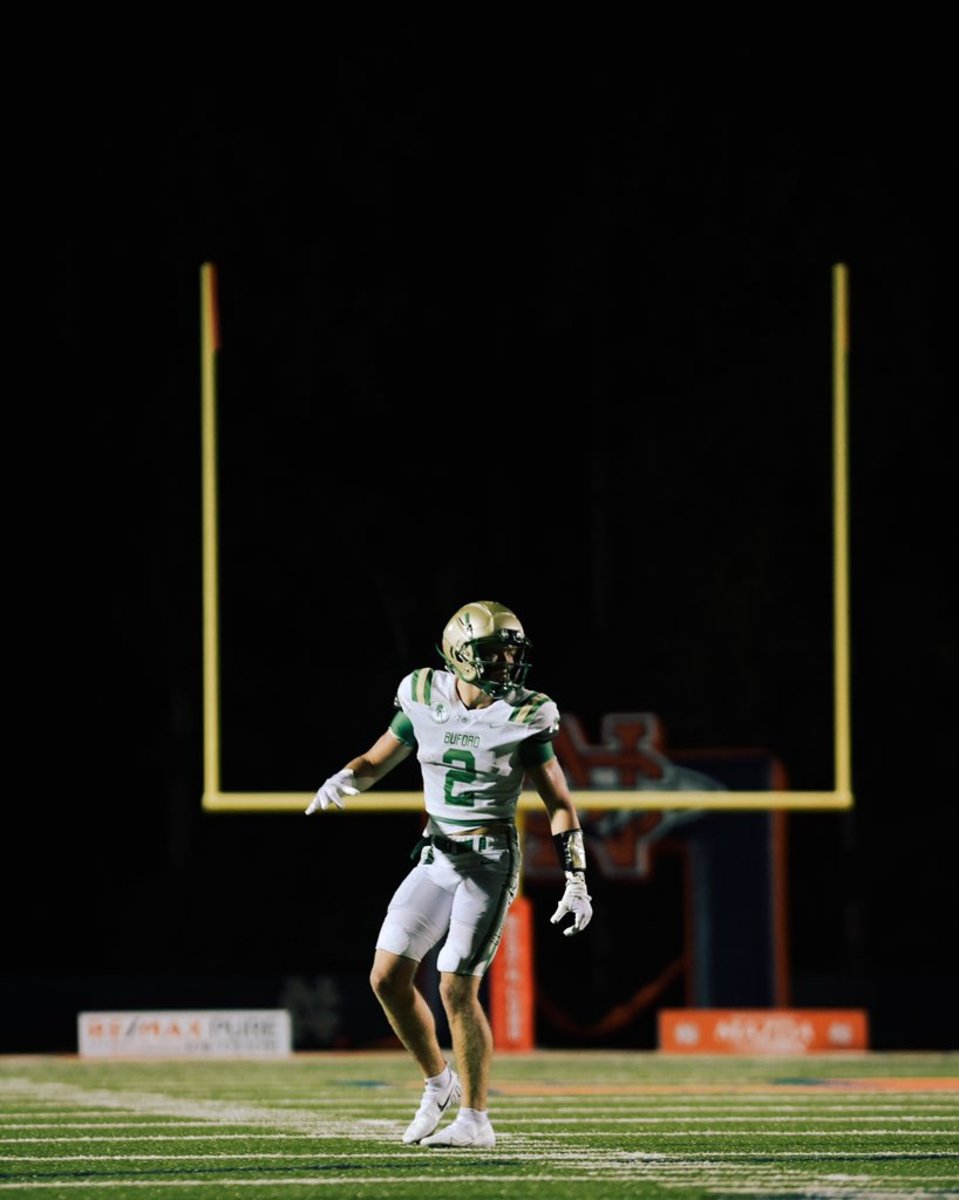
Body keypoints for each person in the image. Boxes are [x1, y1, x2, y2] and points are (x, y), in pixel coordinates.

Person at [306, 600, 593, 1148]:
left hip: (489, 860)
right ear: (461, 654)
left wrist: (575, 877)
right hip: (436, 855)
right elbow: (378, 758)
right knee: (386, 977)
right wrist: (344, 778)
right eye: (495, 651)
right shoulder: (421, 692)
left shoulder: (527, 711)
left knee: (456, 986)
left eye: (513, 650)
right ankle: (439, 1082)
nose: (508, 662)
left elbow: (559, 800)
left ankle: (476, 1121)